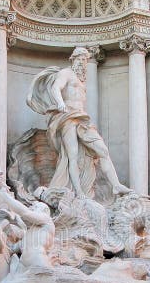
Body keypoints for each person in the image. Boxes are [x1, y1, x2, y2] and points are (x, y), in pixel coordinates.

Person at [26, 47, 131, 199]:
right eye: (80, 59)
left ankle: (116, 185)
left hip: (81, 118)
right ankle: (79, 192)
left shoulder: (82, 80)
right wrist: (60, 102)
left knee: (102, 150)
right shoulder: (66, 73)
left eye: (85, 60)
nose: (82, 62)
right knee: (72, 156)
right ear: (73, 59)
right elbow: (56, 88)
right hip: (67, 117)